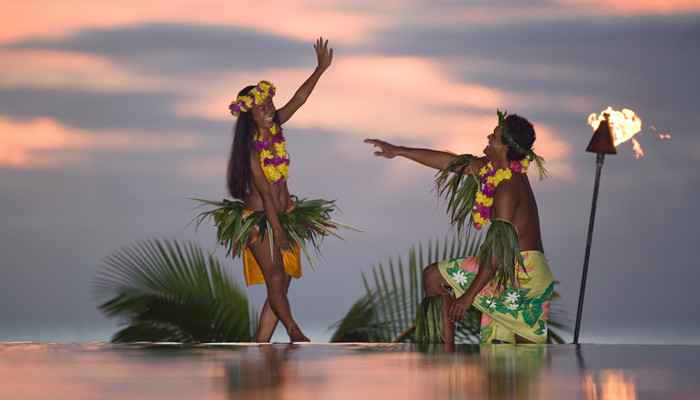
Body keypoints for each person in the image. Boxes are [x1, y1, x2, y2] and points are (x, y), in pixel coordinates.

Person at [365, 111, 554, 346]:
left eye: (494, 135)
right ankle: (446, 361)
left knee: (434, 275)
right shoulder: (493, 169)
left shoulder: (507, 188)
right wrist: (399, 150)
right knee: (524, 366)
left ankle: (444, 362)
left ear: (506, 147)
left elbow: (498, 249)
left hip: (519, 275)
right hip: (531, 274)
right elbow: (450, 163)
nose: (489, 136)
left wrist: (467, 297)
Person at [221, 37, 333, 343]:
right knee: (274, 277)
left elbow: (299, 99)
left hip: (286, 216)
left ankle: (261, 343)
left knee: (280, 285)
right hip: (260, 220)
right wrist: (277, 230)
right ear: (250, 114)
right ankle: (295, 333)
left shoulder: (276, 128)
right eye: (261, 107)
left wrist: (320, 68)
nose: (269, 109)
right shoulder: (252, 150)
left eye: (269, 103)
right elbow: (267, 195)